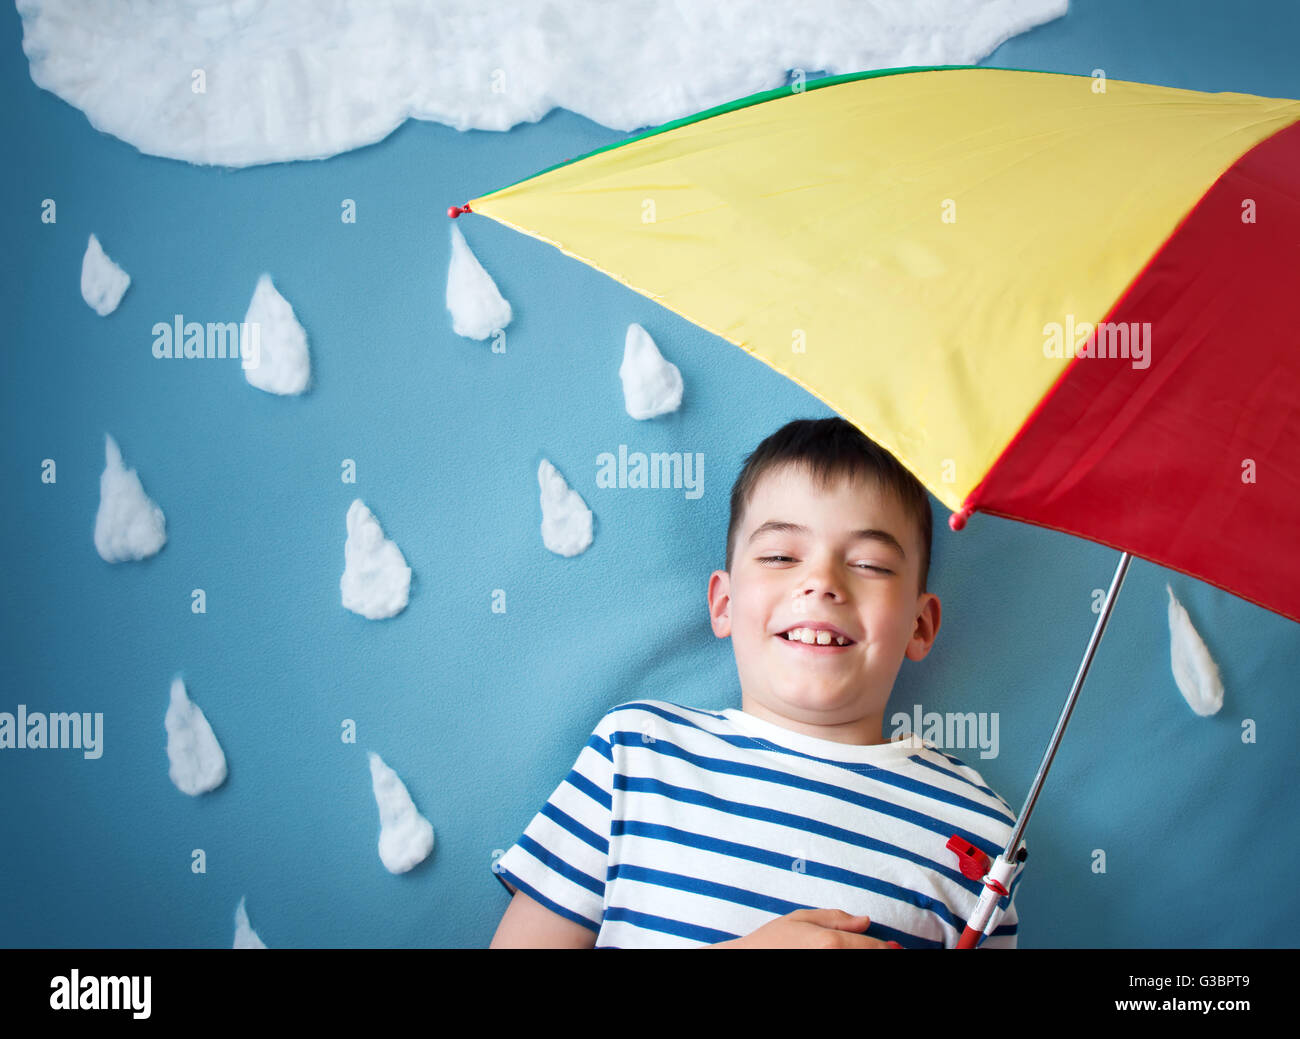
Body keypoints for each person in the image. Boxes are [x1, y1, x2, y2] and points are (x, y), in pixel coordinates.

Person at [489, 417, 1024, 948]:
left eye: (868, 564)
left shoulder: (981, 834)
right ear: (724, 604)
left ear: (920, 624)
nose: (821, 583)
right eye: (779, 557)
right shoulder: (637, 754)